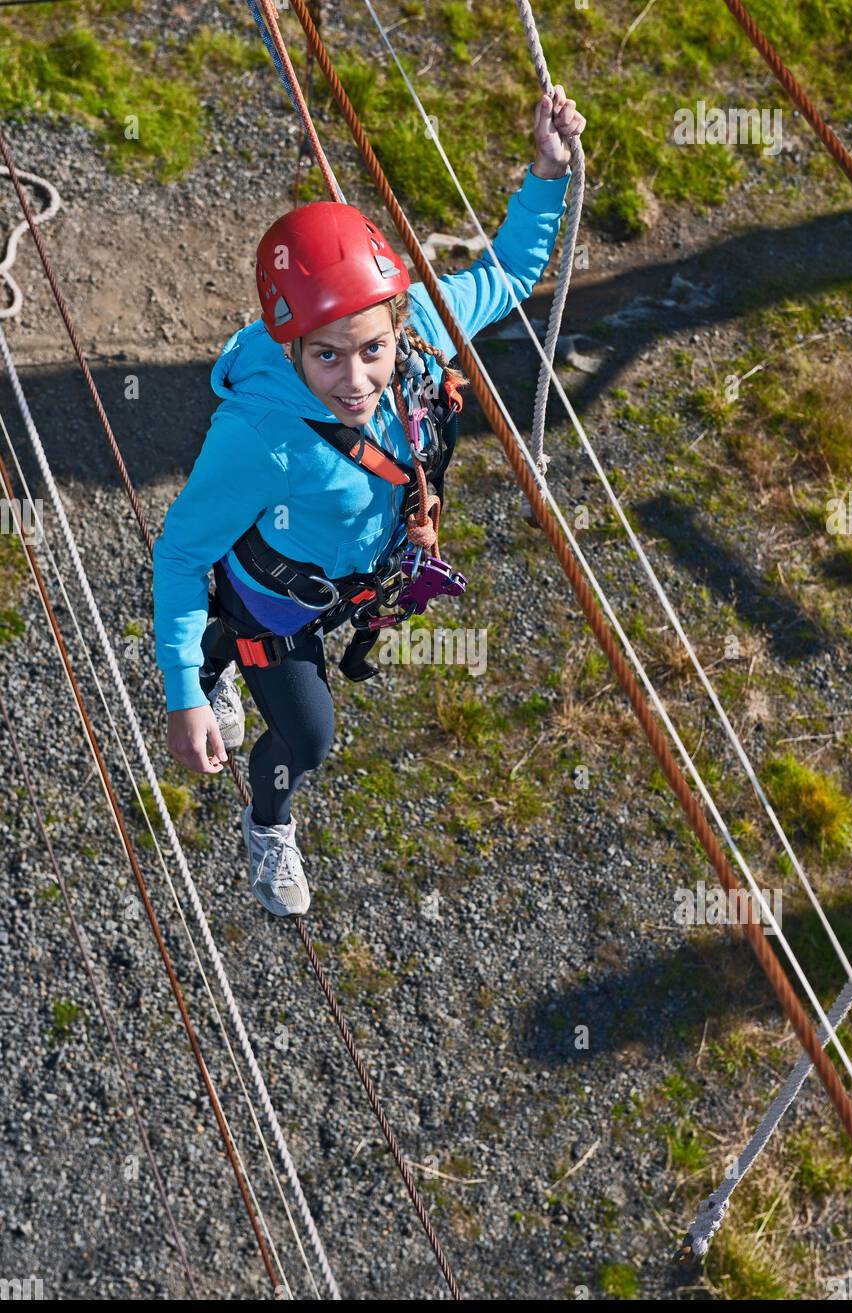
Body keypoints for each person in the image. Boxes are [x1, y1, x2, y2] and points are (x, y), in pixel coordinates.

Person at [153, 86, 585, 918]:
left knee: (269, 687)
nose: (356, 381)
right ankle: (267, 818)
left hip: (353, 581)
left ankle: (216, 657)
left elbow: (509, 274)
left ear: (395, 322)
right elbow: (180, 553)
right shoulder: (258, 435)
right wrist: (177, 695)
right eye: (326, 358)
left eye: (371, 351)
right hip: (278, 603)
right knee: (308, 738)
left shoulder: (413, 331)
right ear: (289, 345)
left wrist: (547, 172)